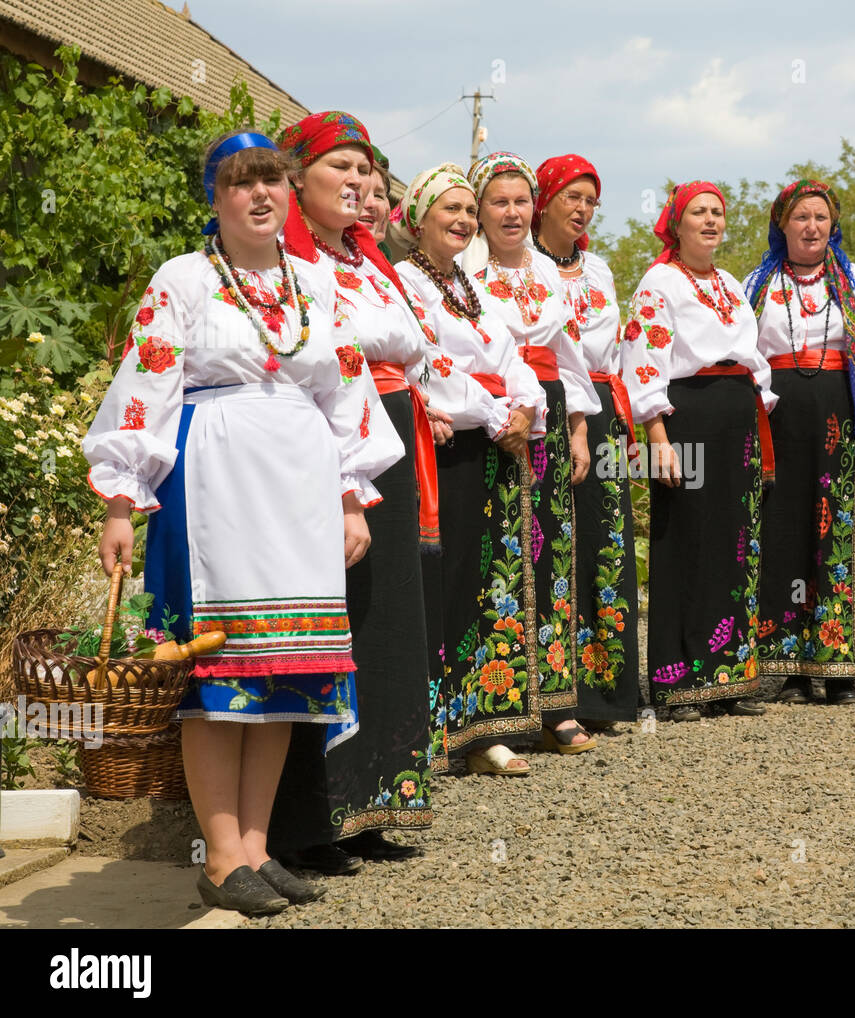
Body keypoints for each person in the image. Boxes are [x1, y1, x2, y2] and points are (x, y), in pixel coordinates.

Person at [84, 130, 403, 915]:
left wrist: (350, 494)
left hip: (300, 488)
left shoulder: (315, 285)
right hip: (216, 485)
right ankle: (221, 856)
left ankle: (257, 848)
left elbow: (347, 394)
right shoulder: (183, 280)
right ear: (215, 197)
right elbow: (145, 386)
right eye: (240, 183)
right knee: (221, 673)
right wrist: (122, 501)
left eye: (273, 181)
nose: (261, 195)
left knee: (285, 673)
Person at [266, 111, 471, 872]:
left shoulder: (365, 259)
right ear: (296, 179)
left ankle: (378, 799)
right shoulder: (289, 264)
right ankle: (311, 819)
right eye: (339, 169)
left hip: (387, 428)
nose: (358, 184)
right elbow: (323, 354)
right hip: (325, 438)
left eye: (366, 172)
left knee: (389, 616)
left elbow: (412, 347)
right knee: (333, 618)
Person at [392, 162, 548, 776]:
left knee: (489, 585)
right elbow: (424, 363)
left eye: (465, 210)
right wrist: (492, 411)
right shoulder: (406, 280)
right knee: (443, 586)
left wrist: (523, 407)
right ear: (418, 220)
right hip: (450, 443)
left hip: (492, 443)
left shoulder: (465, 285)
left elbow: (507, 354)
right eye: (448, 210)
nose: (461, 220)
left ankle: (481, 728)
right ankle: (431, 730)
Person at [744, 179, 855, 705]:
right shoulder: (756, 284)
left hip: (837, 413)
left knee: (838, 527)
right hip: (779, 414)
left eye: (820, 217)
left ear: (834, 225)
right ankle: (793, 667)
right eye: (801, 217)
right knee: (784, 529)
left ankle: (840, 665)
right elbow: (742, 354)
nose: (811, 227)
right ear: (782, 224)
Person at [621, 181, 776, 722]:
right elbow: (643, 361)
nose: (709, 221)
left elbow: (753, 356)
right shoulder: (658, 283)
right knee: (686, 539)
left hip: (737, 418)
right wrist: (657, 439)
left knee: (734, 543)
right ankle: (677, 679)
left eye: (717, 213)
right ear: (676, 222)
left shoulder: (731, 284)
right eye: (698, 212)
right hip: (687, 415)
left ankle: (728, 675)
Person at [466, 152, 603, 753]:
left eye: (521, 201)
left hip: (546, 407)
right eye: (500, 201)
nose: (513, 212)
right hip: (492, 415)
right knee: (497, 556)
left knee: (552, 553)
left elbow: (570, 357)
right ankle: (492, 711)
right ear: (479, 210)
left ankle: (552, 703)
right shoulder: (465, 273)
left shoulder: (546, 272)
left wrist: (577, 428)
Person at [532, 154, 639, 728]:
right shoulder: (520, 265)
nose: (581, 209)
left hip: (601, 411)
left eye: (590, 200)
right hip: (548, 405)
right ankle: (552, 695)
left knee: (606, 540)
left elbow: (614, 350)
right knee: (553, 543)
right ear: (544, 199)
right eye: (572, 196)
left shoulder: (598, 269)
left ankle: (605, 690)